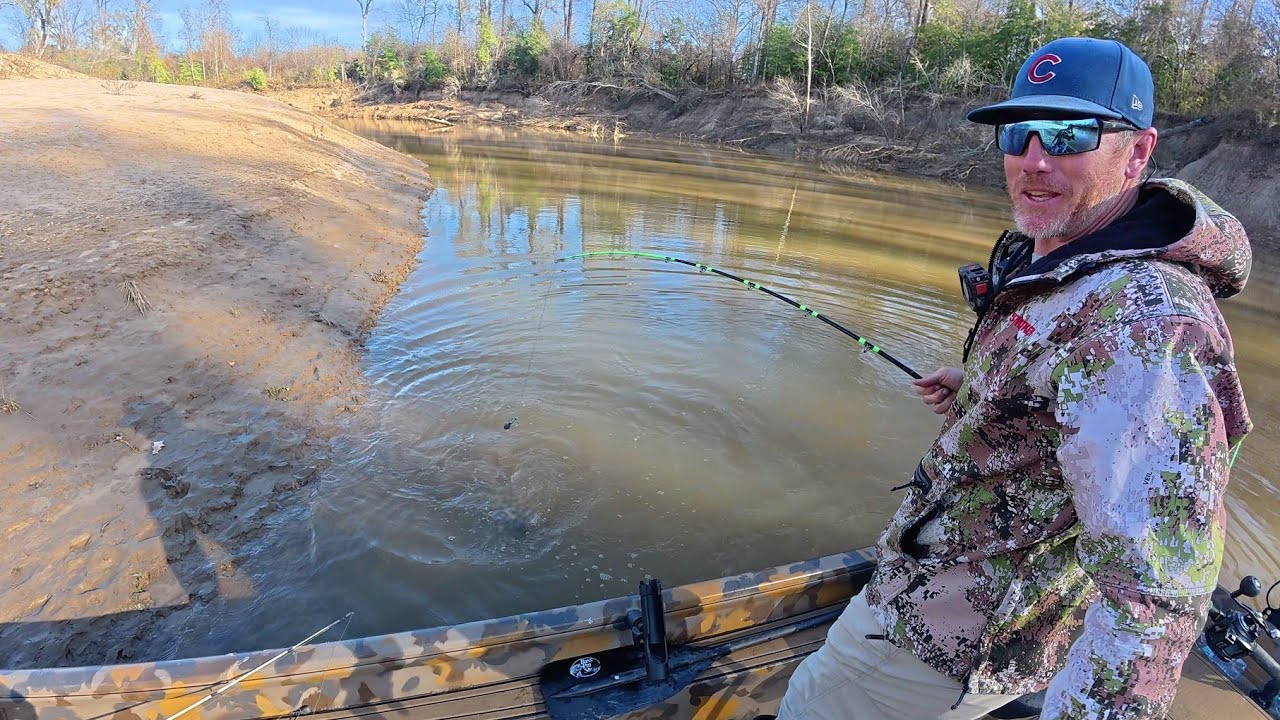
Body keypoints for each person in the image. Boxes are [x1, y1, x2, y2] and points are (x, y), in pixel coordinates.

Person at [777, 36, 1252, 720]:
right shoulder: (1069, 257)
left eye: (1068, 133)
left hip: (941, 637)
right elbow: (1068, 405)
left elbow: (1155, 596)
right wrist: (976, 394)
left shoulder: (1145, 323)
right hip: (948, 591)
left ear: (1138, 152)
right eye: (1018, 132)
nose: (1034, 159)